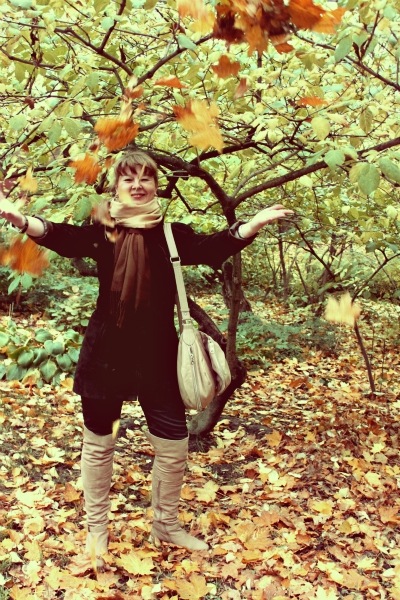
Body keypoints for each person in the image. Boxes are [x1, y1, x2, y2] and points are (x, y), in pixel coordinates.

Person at [0, 150, 293, 564]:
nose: (137, 185)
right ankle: (97, 531)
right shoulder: (102, 232)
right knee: (99, 444)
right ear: (116, 185)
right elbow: (62, 237)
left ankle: (166, 525)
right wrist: (20, 219)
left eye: (145, 178)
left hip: (158, 356)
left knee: (173, 444)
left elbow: (212, 247)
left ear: (156, 185)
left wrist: (252, 225)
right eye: (128, 178)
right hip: (106, 354)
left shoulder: (171, 235)